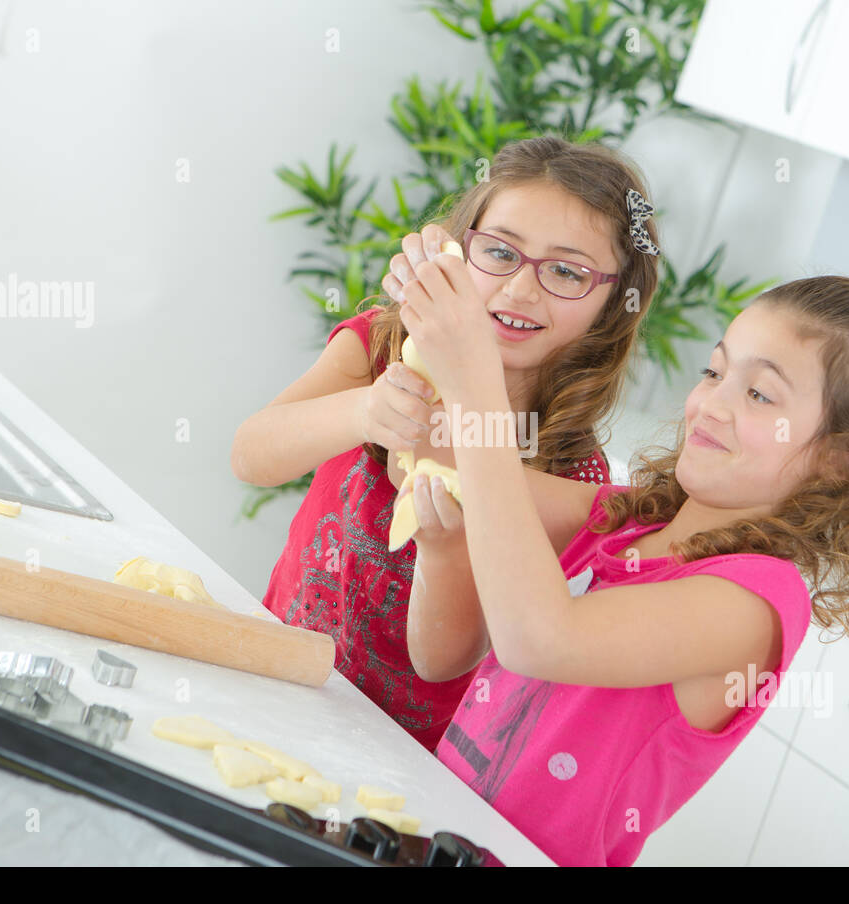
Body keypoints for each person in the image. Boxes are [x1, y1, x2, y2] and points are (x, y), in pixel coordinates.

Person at [394, 266, 849, 865]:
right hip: (436, 833)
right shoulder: (620, 522)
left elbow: (537, 637)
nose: (711, 407)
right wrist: (431, 312)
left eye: (758, 394)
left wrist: (476, 389)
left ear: (842, 457)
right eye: (714, 372)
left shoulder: (753, 601)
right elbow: (429, 456)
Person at [232, 134, 662, 751]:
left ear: (615, 305)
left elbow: (449, 658)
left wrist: (446, 547)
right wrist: (365, 409)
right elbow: (251, 455)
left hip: (400, 756)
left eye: (566, 271)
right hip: (276, 672)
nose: (519, 290)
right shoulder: (381, 350)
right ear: (460, 252)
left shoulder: (572, 474)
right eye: (499, 252)